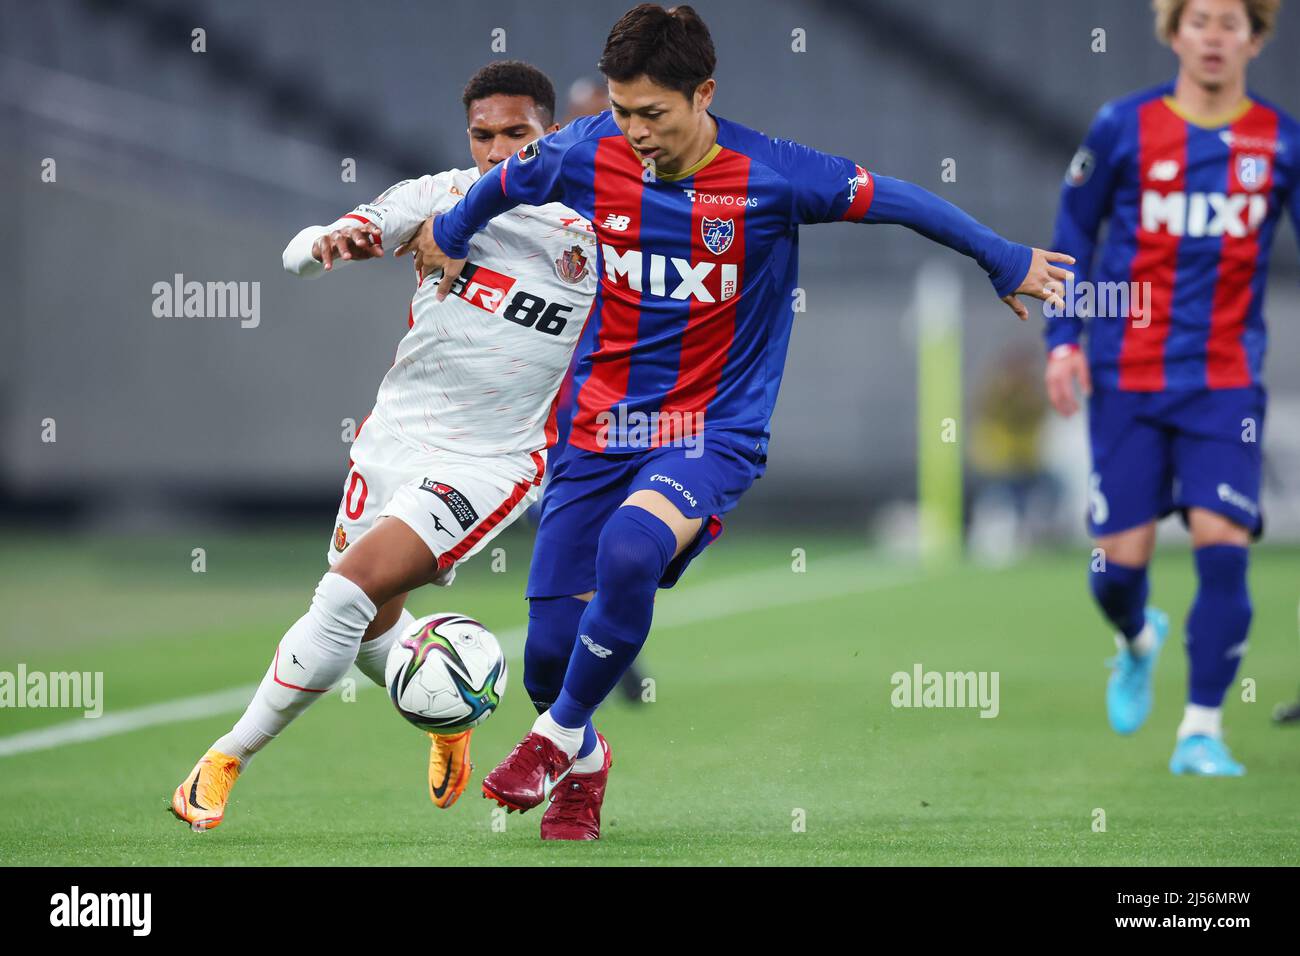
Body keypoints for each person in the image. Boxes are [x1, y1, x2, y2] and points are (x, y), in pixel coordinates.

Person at [406, 3, 1071, 839]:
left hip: (711, 428)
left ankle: (551, 740)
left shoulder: (775, 174)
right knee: (547, 656)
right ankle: (580, 749)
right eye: (621, 110)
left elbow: (897, 198)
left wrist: (1002, 257)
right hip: (597, 426)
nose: (635, 129)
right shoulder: (586, 149)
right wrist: (450, 230)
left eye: (653, 112)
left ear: (703, 94)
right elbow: (506, 181)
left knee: (631, 548)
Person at [169, 61, 597, 830]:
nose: (497, 152)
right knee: (367, 625)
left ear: (549, 134)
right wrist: (323, 243)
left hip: (490, 459)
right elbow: (345, 233)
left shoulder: (594, 234)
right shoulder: (439, 198)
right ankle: (450, 717)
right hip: (393, 438)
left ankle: (227, 757)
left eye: (516, 135)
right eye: (482, 135)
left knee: (341, 593)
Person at [1044, 0, 1296, 774]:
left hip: (1224, 381)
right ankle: (1136, 638)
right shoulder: (1122, 126)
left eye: (1231, 22)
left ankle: (1202, 729)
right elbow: (1073, 235)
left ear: (1255, 37)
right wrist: (1062, 341)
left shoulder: (1281, 140)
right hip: (1126, 376)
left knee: (1223, 546)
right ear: (1174, 32)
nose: (1214, 36)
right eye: (1200, 20)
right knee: (1113, 571)